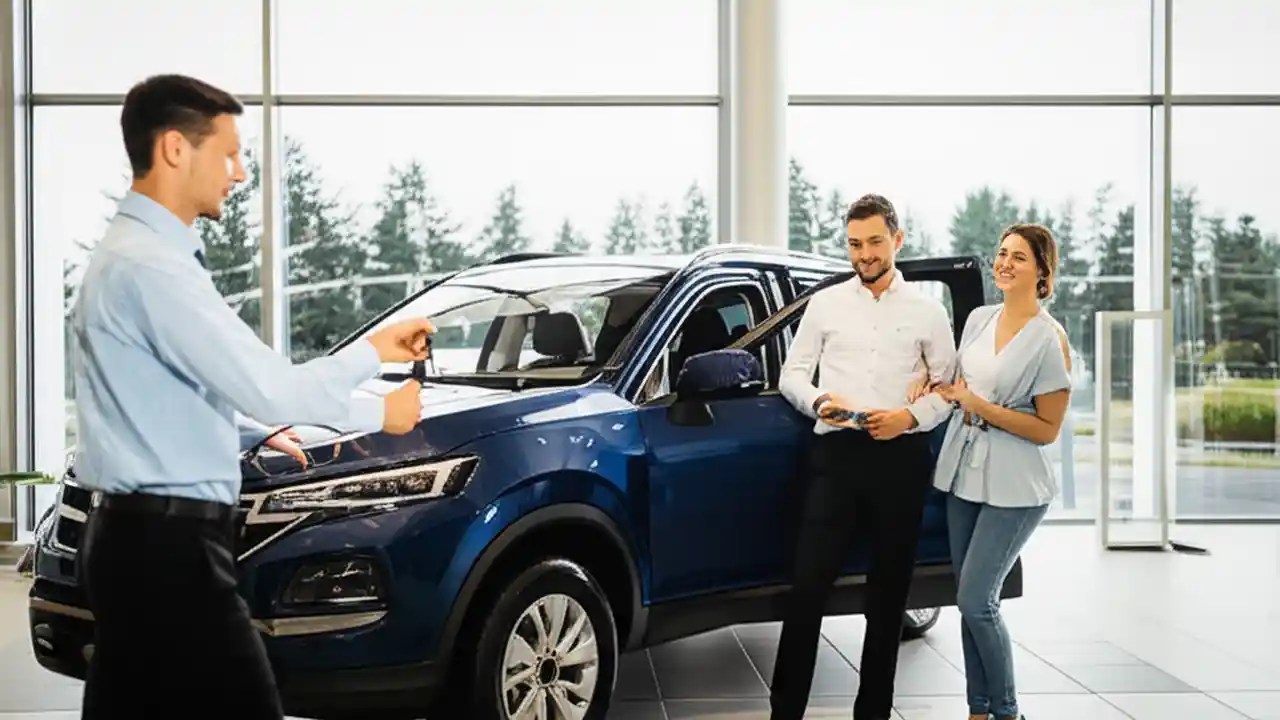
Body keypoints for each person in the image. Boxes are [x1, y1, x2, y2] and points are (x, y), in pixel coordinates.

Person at [69, 74, 434, 719]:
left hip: (138, 540)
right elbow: (271, 385)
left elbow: (157, 391)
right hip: (169, 552)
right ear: (177, 149)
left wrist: (245, 432)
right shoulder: (153, 267)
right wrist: (382, 397)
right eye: (230, 153)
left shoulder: (131, 255)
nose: (239, 174)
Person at [771, 193, 957, 720]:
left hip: (901, 459)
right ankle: (784, 711)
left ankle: (873, 713)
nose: (865, 254)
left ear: (897, 240)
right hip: (836, 458)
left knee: (887, 597)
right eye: (855, 244)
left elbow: (949, 388)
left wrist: (910, 419)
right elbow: (791, 375)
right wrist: (821, 401)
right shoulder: (826, 305)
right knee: (806, 589)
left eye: (875, 242)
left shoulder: (927, 311)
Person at [920, 223, 1073, 720]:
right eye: (1001, 254)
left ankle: (1007, 712)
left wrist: (977, 404)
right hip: (965, 470)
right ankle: (977, 710)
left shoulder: (1050, 340)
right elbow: (963, 386)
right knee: (968, 602)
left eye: (1019, 257)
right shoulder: (981, 319)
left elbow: (1047, 429)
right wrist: (936, 390)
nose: (1004, 263)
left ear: (1042, 271)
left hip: (1016, 483)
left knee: (977, 599)